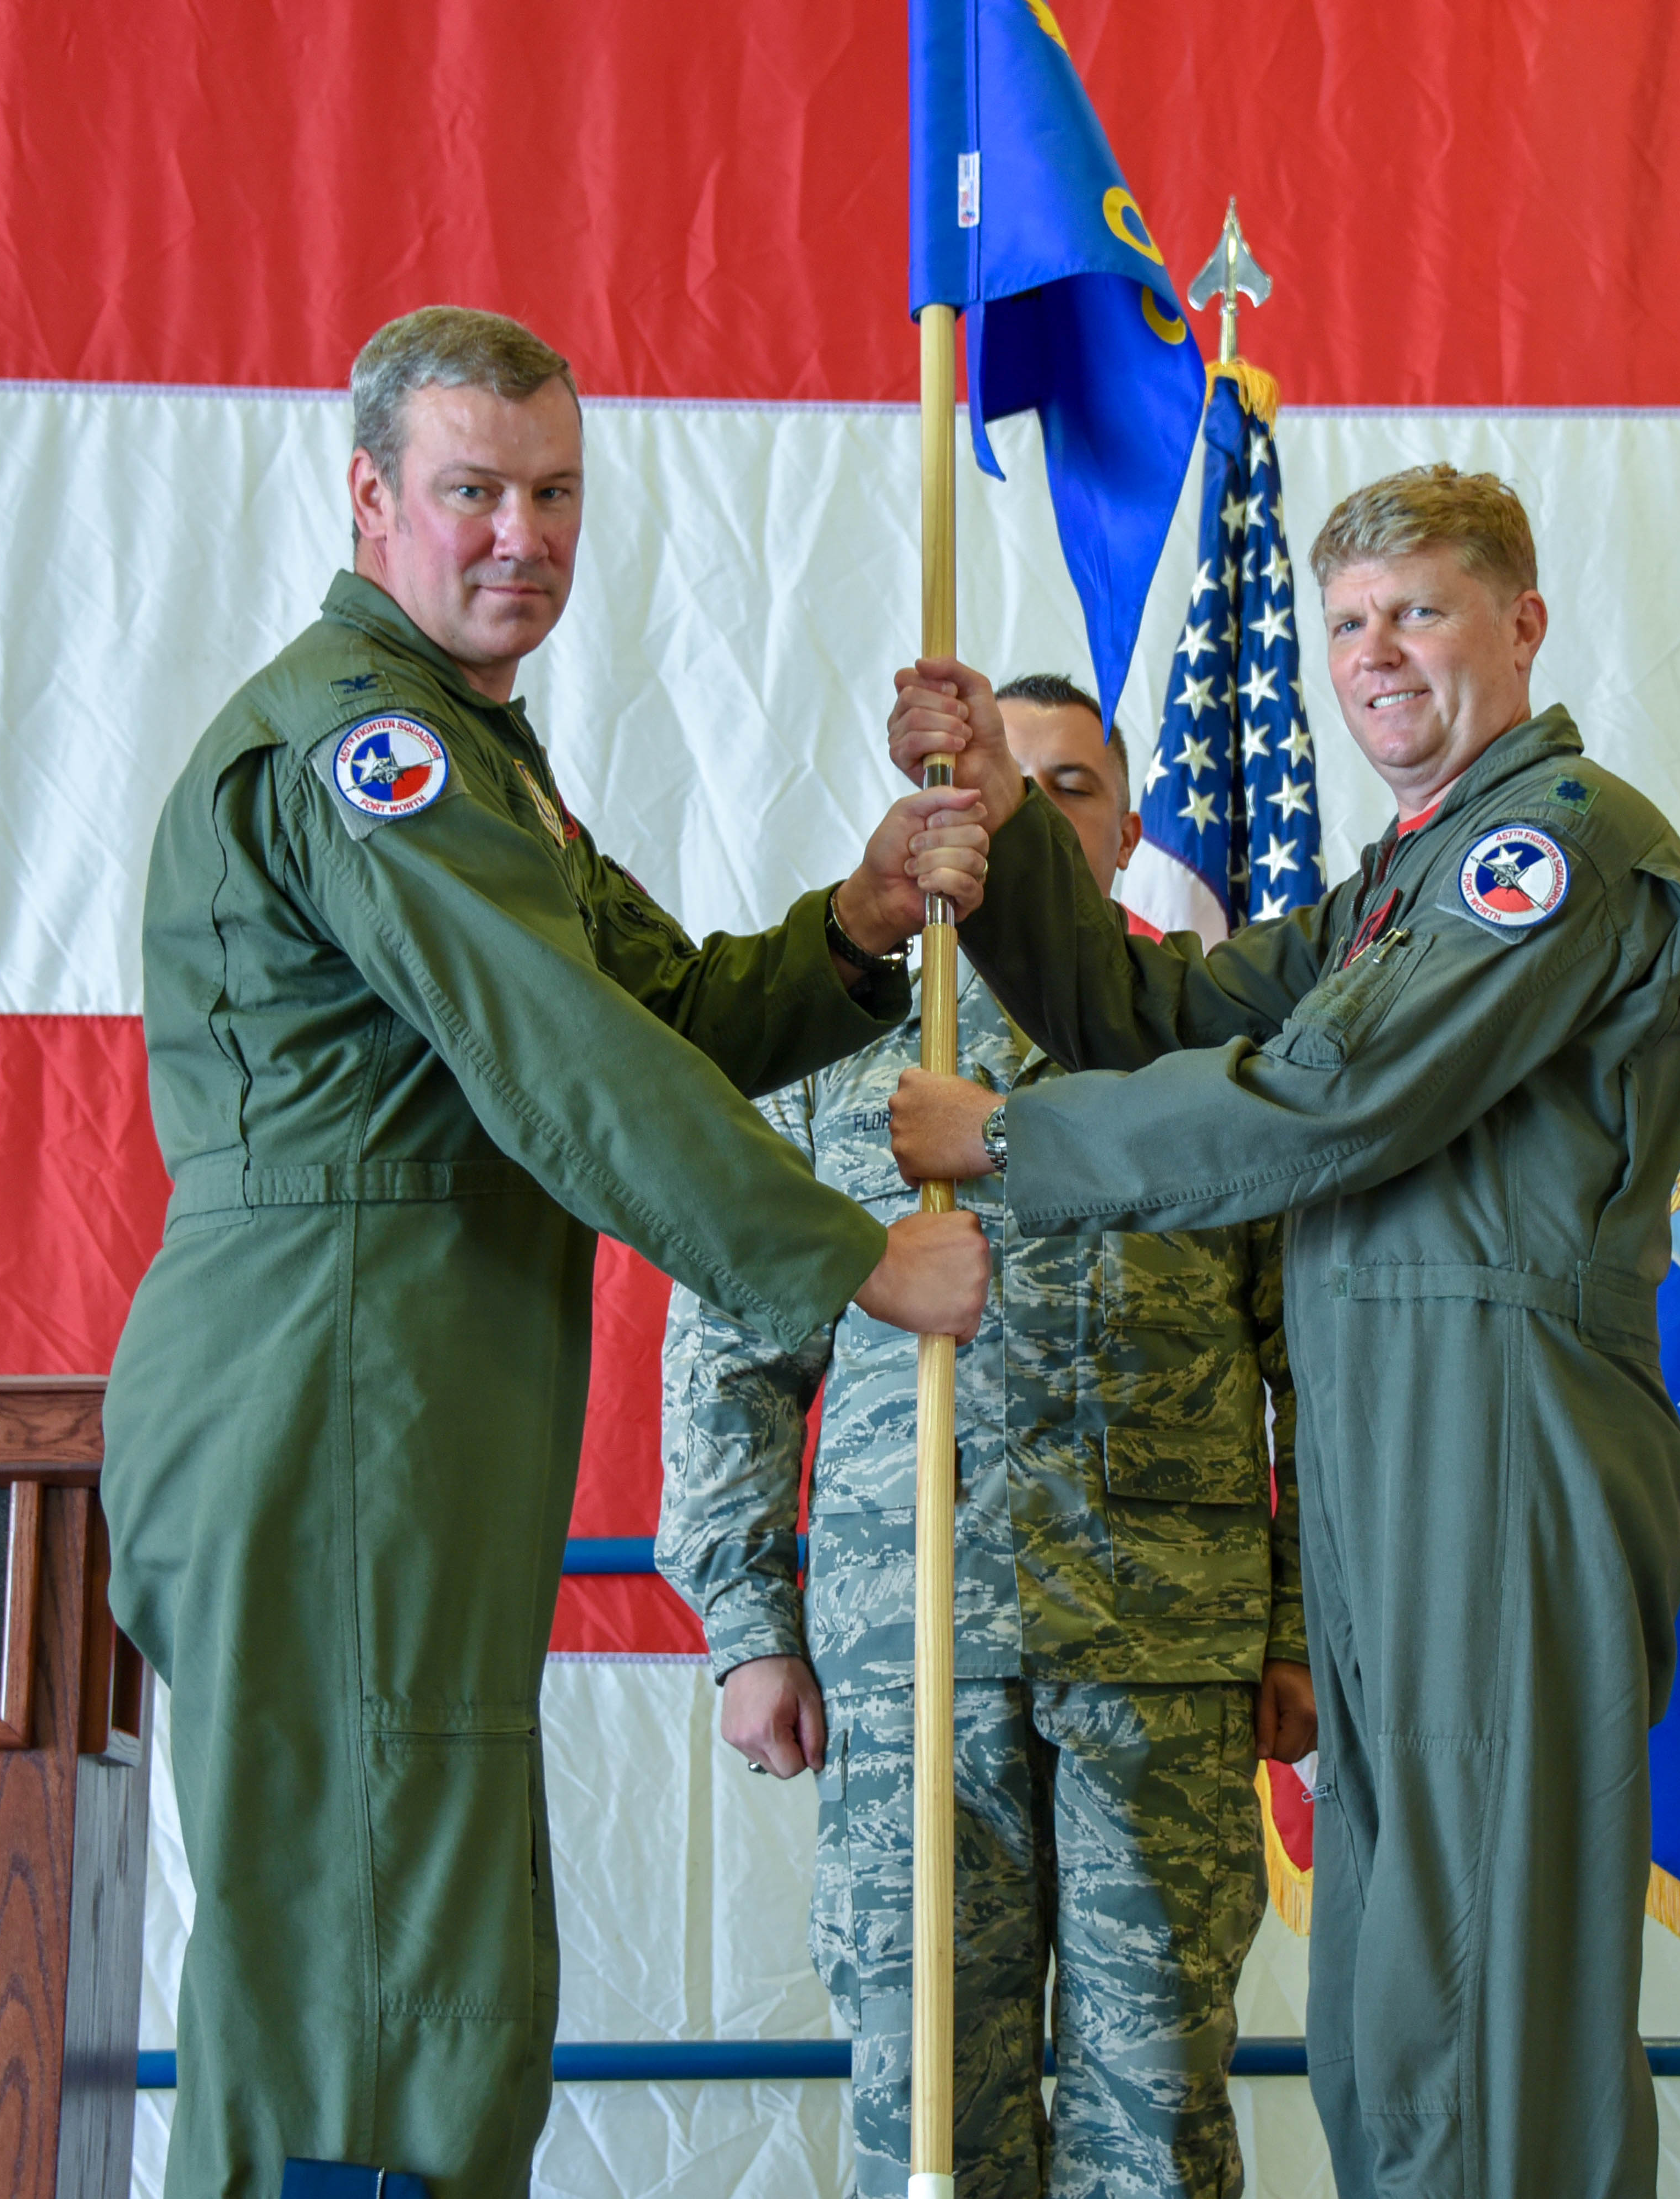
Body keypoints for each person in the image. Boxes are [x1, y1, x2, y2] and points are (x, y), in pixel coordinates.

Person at [101, 305, 992, 2199]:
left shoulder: (475, 751)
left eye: (557, 492)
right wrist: (847, 1264)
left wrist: (853, 924)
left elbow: (653, 1001)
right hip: (335, 1383)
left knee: (430, 1939)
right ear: (371, 498)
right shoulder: (370, 755)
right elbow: (562, 1058)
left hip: (410, 1394)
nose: (524, 534)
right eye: (474, 492)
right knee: (366, 1978)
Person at [883, 465, 1680, 2199]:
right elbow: (1155, 1008)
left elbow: (1331, 1099)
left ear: (1524, 623)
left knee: (1493, 1996)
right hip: (1390, 1450)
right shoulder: (1393, 891)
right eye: (1346, 624)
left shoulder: (1543, 847)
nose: (1374, 655)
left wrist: (1015, 1144)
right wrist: (1017, 821)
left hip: (1501, 1444)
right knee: (1404, 1996)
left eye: (1417, 610)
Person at [659, 672, 1314, 2199]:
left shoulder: (1205, 1056)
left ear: (1128, 830)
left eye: (1067, 788)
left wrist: (1299, 1622)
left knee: (1156, 2108)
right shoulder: (837, 1051)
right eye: (986, 782)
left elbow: (1311, 1362)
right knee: (926, 2103)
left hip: (1165, 1658)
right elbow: (731, 1354)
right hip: (911, 1661)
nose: (1019, 816)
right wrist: (751, 1626)